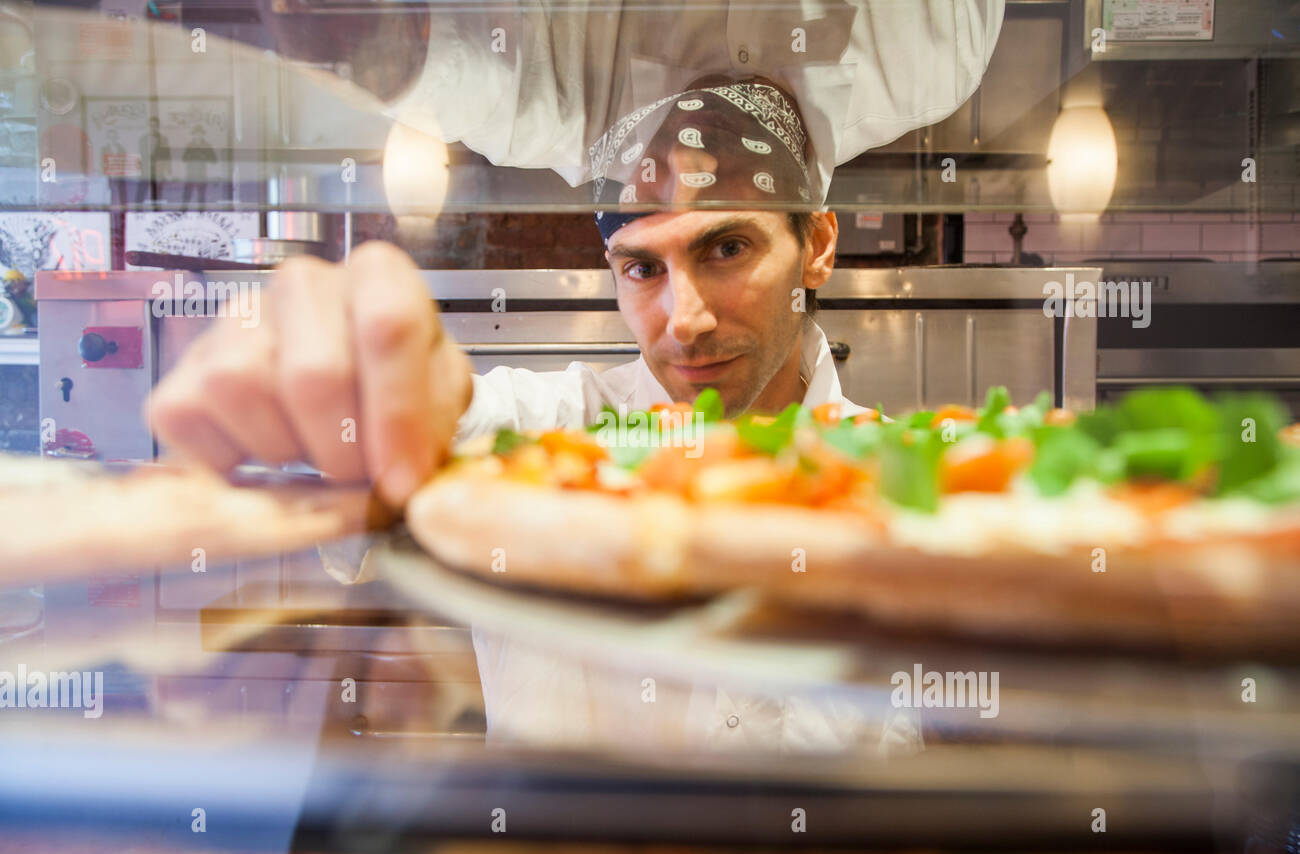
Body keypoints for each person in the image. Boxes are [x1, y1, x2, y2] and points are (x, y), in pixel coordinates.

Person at [151, 2, 1006, 756]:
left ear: (817, 244)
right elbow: (409, 440)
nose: (688, 318)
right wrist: (357, 382)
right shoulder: (546, 439)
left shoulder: (928, 480)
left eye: (728, 248)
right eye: (641, 268)